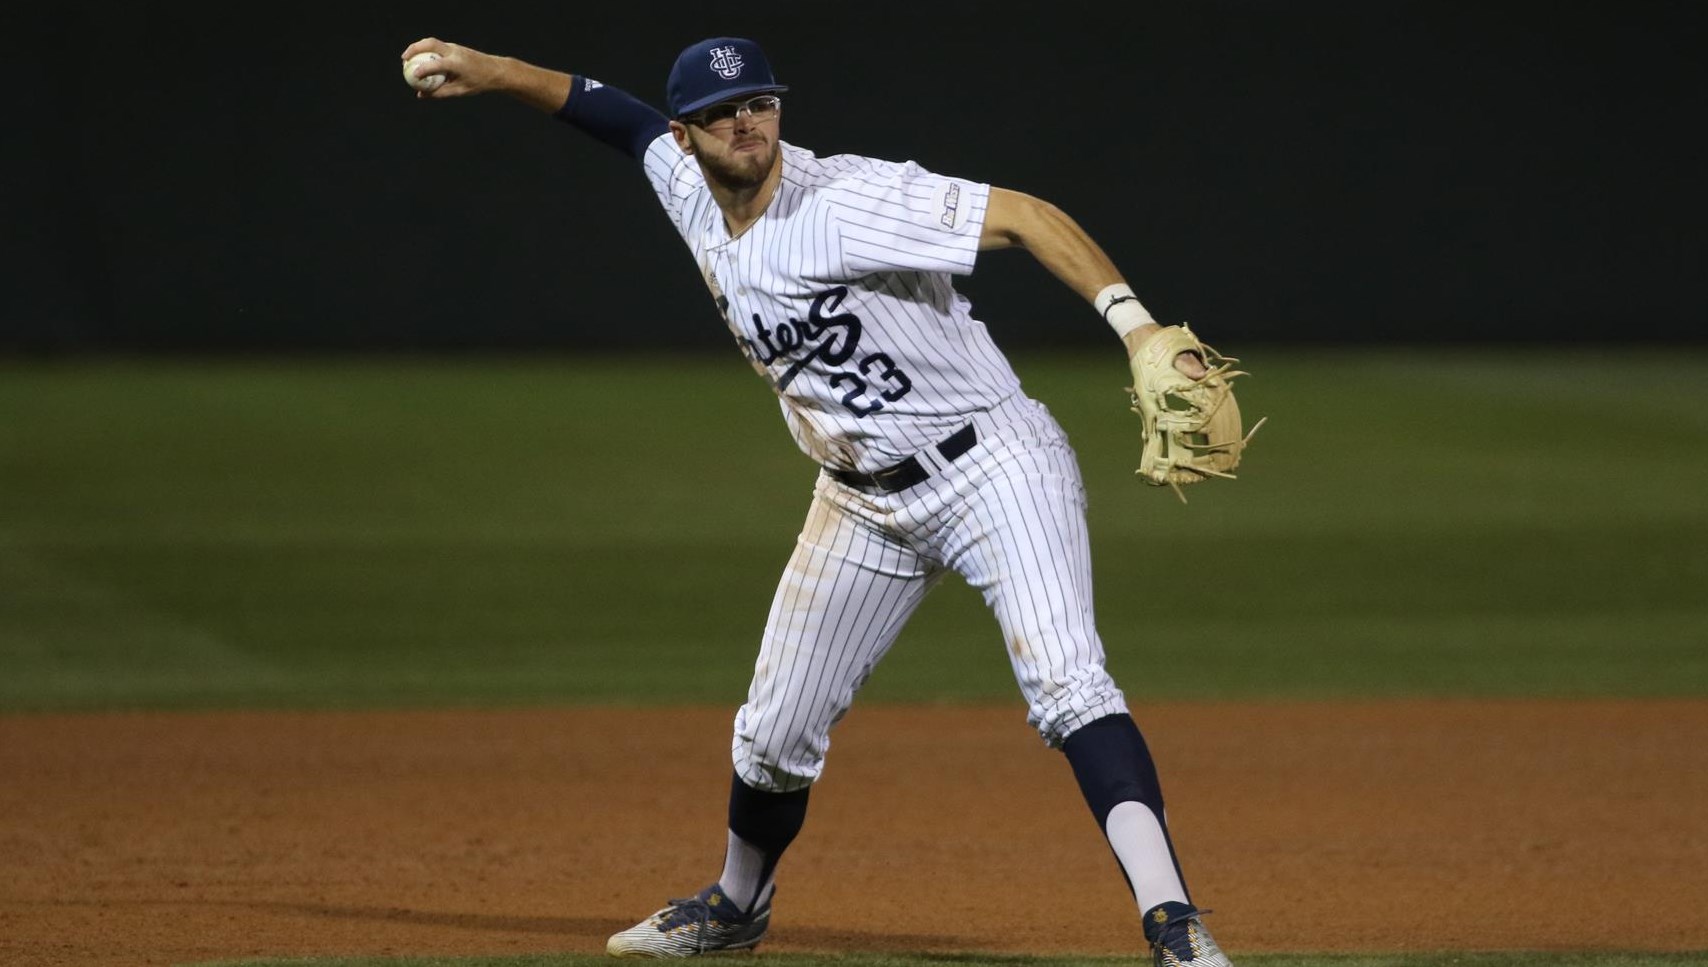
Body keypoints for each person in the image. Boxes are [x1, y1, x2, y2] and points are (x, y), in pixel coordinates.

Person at [401, 33, 1235, 967]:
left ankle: (1173, 924)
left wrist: (1135, 324)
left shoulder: (849, 199)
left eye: (759, 101)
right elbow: (620, 118)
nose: (745, 122)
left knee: (1068, 683)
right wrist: (494, 70)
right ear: (691, 138)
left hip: (993, 462)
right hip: (859, 500)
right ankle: (737, 906)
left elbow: (1029, 216)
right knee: (771, 733)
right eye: (720, 113)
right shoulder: (683, 183)